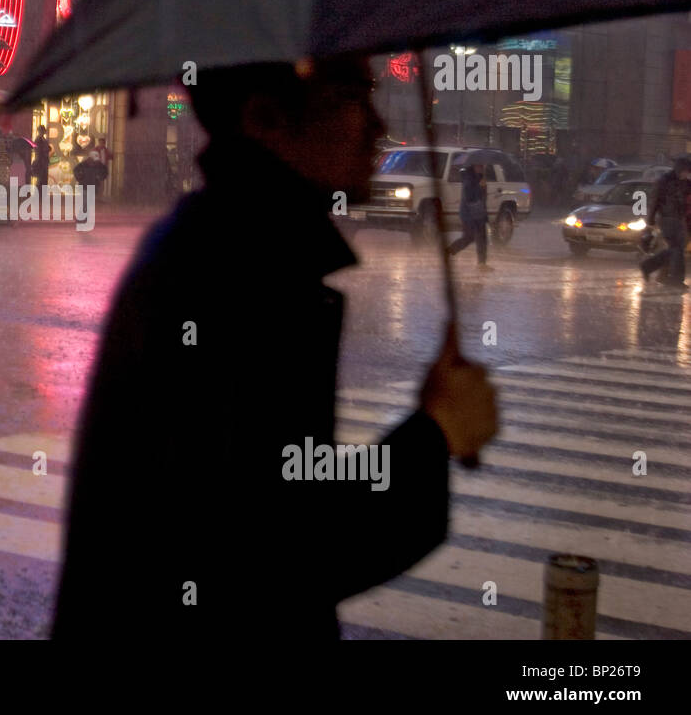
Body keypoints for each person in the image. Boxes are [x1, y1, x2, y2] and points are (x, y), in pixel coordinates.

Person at [51, 56, 498, 640]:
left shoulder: (232, 248)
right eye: (353, 96)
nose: (377, 124)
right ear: (265, 118)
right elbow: (277, 552)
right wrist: (434, 433)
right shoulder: (238, 276)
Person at [639, 157, 691, 290]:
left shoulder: (686, 183)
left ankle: (649, 266)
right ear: (679, 169)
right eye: (685, 171)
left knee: (674, 250)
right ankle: (675, 279)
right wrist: (650, 220)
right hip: (666, 219)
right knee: (676, 249)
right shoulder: (664, 181)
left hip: (680, 220)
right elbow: (655, 201)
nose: (686, 174)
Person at [446, 162, 492, 270]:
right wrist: (480, 187)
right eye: (479, 165)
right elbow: (470, 197)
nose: (482, 167)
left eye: (482, 165)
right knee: (469, 237)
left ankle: (482, 263)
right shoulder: (469, 179)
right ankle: (449, 251)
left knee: (482, 238)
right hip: (469, 214)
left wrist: (484, 188)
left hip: (479, 213)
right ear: (474, 166)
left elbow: (482, 198)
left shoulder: (479, 178)